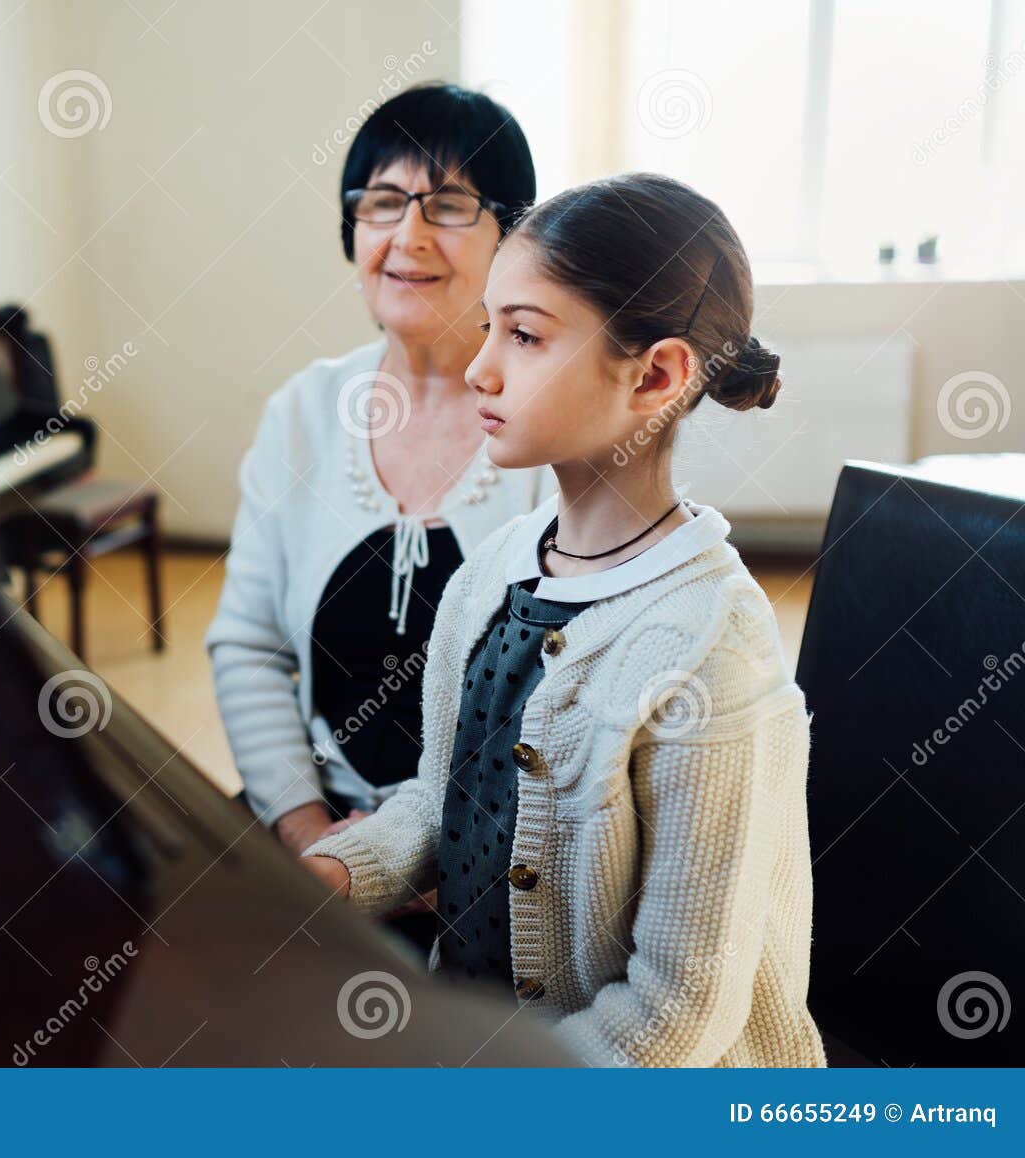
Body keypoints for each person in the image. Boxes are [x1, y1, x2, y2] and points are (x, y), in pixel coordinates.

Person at [301, 172, 827, 1067]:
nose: (480, 368)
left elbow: (679, 1015)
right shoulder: (493, 573)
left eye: (526, 335)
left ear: (656, 374)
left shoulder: (709, 647)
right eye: (488, 328)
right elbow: (442, 801)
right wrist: (329, 876)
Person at [206, 85, 551, 873]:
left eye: (451, 204)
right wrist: (308, 833)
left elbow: (573, 713)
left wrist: (430, 862)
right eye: (384, 202)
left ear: (513, 236)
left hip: (499, 864)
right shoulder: (302, 412)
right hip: (311, 831)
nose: (409, 235)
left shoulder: (554, 429)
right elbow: (249, 645)